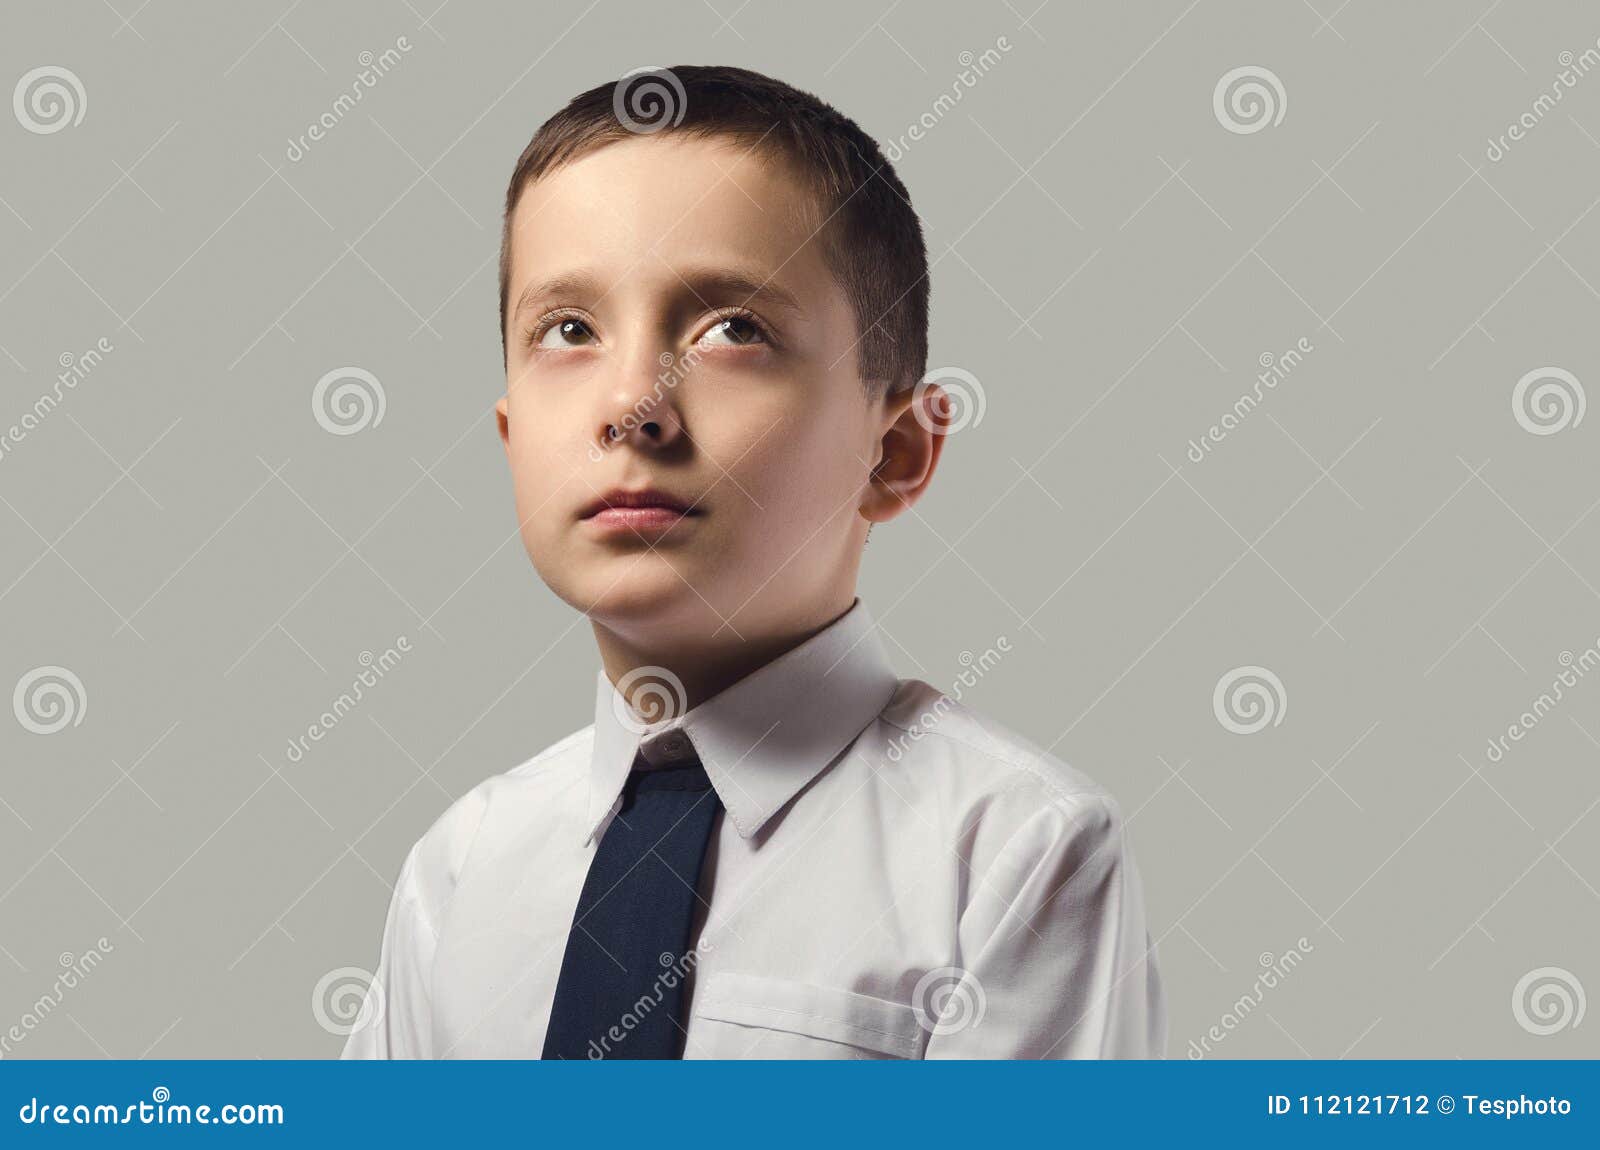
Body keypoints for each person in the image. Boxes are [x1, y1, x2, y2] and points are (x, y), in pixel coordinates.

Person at [341, 64, 1165, 1060]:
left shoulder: (1010, 854)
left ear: (895, 452)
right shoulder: (462, 868)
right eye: (568, 330)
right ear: (511, 436)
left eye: (735, 329)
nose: (635, 402)